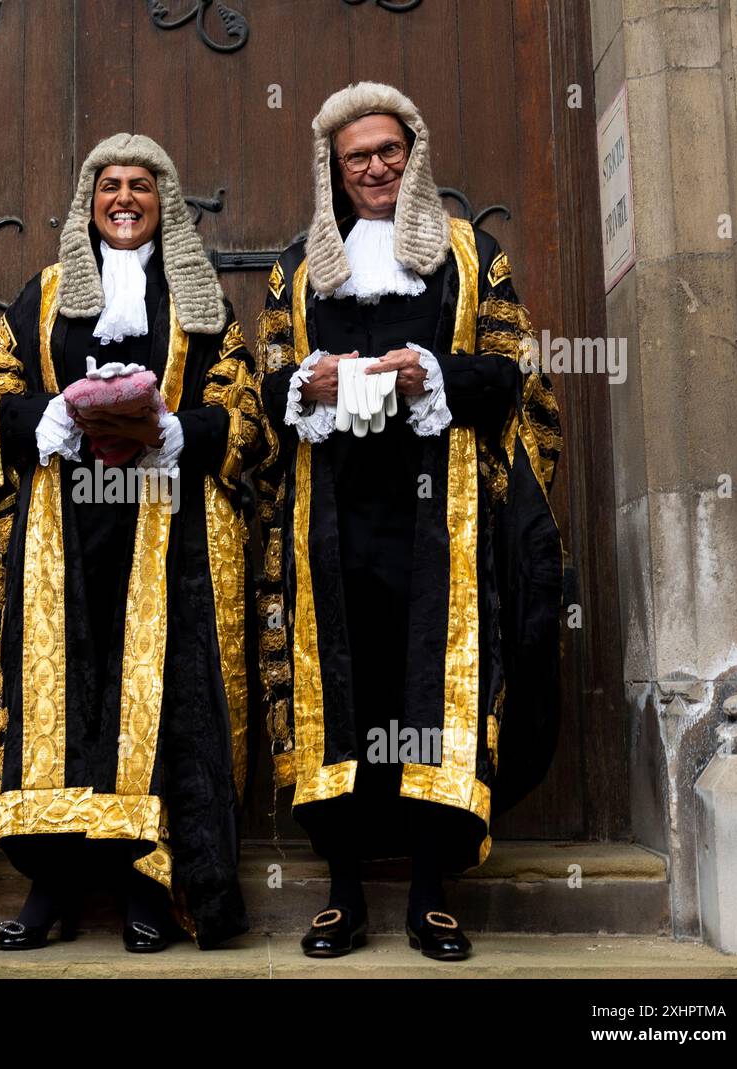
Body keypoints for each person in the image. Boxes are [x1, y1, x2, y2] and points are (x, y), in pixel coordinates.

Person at [254, 82, 564, 960]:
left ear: (414, 152)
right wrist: (304, 386)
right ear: (334, 168)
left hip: (443, 518)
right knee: (340, 695)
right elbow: (266, 388)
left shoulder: (473, 256)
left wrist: (432, 376)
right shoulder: (298, 267)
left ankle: (431, 891)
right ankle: (342, 894)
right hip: (332, 519)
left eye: (390, 150)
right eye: (359, 156)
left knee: (431, 691)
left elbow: (514, 376)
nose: (377, 166)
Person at [0, 133, 264, 952]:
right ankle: (49, 886)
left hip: (165, 536)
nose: (125, 197)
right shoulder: (41, 297)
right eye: (109, 184)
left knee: (153, 712)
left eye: (141, 186)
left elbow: (246, 410)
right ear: (89, 201)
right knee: (61, 710)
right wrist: (44, 418)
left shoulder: (200, 300)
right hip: (60, 535)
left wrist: (176, 428)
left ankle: (145, 885)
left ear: (165, 202)